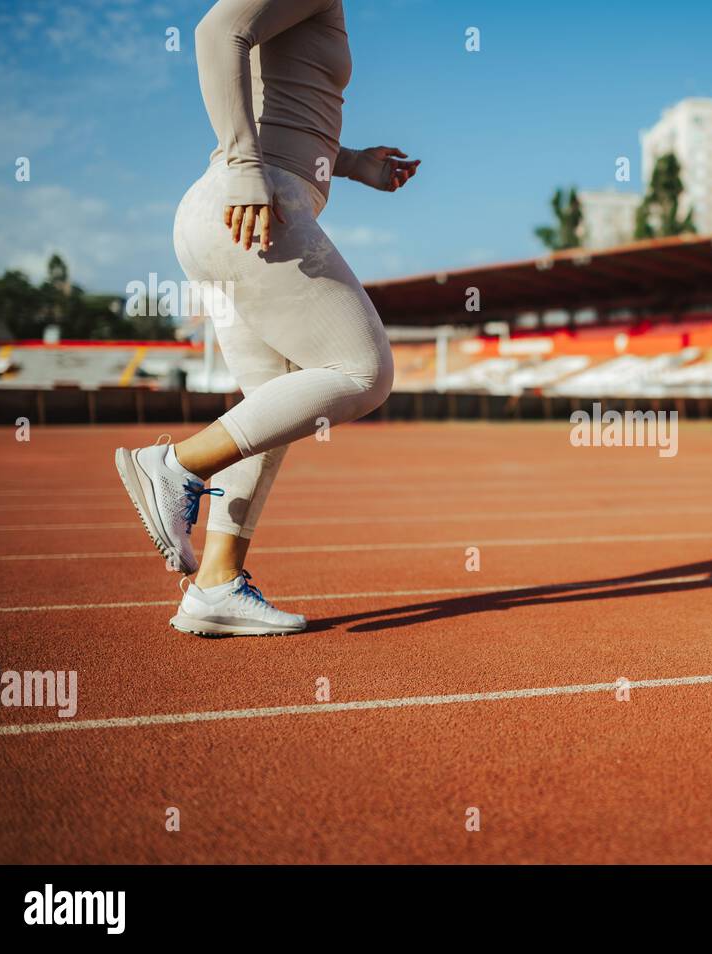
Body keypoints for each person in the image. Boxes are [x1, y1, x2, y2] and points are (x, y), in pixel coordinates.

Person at [114, 0, 419, 636]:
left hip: (237, 213)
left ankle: (217, 585)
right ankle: (173, 467)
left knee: (267, 411)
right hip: (252, 206)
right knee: (365, 371)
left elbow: (283, 106)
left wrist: (355, 162)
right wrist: (247, 167)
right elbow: (216, 32)